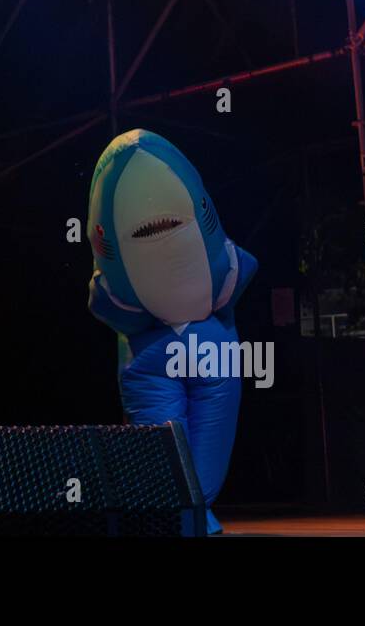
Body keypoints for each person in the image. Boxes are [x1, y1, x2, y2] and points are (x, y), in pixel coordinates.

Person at [86, 129, 258, 535]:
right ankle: (184, 517)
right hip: (150, 350)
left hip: (202, 344)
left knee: (202, 447)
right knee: (164, 452)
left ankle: (189, 515)